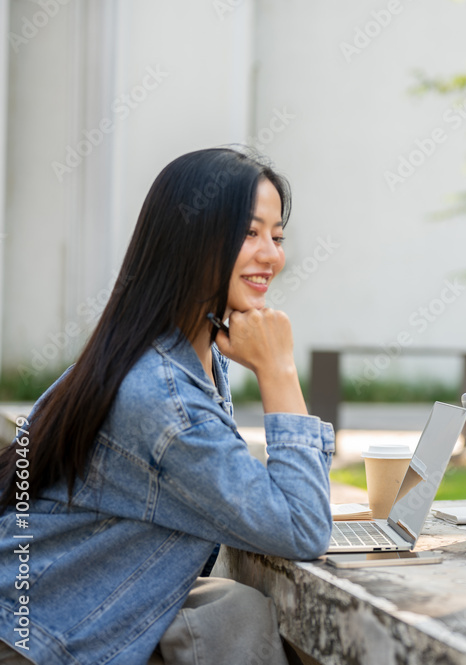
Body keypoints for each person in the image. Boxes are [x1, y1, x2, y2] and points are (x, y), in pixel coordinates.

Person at [0, 148, 335, 663]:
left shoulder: (183, 354)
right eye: (249, 233)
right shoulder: (162, 398)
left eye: (277, 236)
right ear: (191, 241)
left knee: (234, 609)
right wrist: (279, 371)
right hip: (40, 644)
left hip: (51, 622)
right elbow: (303, 528)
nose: (271, 255)